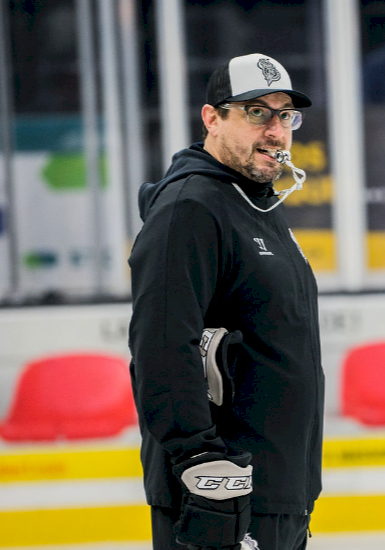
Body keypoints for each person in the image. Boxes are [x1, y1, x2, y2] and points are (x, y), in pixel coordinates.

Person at [128, 53, 323, 550]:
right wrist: (199, 462)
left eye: (285, 116)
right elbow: (162, 346)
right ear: (212, 119)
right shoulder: (190, 209)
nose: (276, 131)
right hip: (221, 495)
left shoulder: (257, 204)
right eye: (256, 113)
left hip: (280, 489)